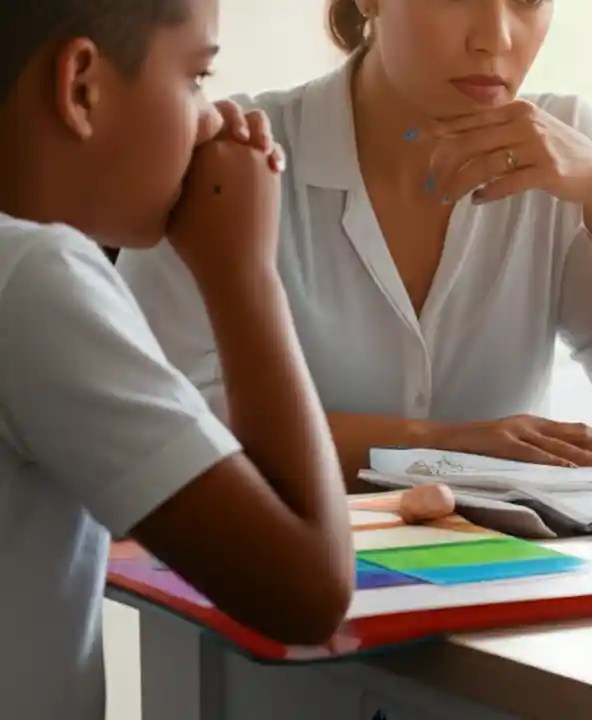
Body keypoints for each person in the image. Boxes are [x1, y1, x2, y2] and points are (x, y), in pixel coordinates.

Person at [0, 1, 449, 715]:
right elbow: (306, 593)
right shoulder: (34, 279)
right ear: (81, 87)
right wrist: (243, 274)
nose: (211, 120)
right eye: (196, 77)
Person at [116, 0, 592, 486]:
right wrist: (437, 444)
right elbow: (163, 424)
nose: (495, 37)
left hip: (506, 598)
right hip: (276, 604)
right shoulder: (231, 155)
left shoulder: (570, 145)